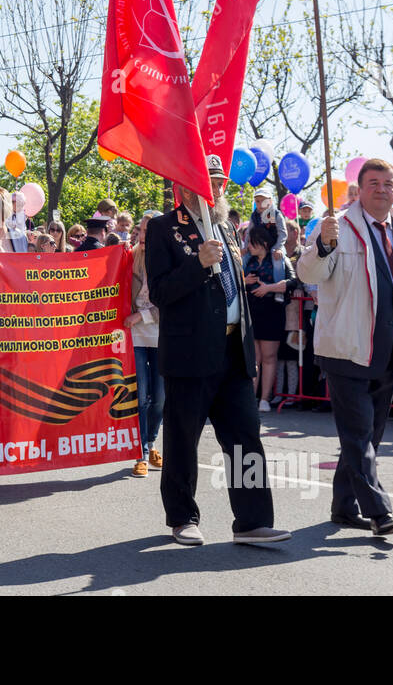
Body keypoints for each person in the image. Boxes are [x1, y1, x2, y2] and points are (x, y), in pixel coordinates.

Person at [297, 158, 393, 535]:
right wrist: (322, 245)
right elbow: (307, 274)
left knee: (369, 438)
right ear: (360, 188)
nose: (382, 189)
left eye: (388, 183)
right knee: (357, 434)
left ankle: (344, 507)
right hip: (345, 349)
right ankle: (379, 511)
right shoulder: (337, 227)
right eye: (373, 183)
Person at [144, 155, 290, 547]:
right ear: (187, 186)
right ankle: (182, 517)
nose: (215, 189)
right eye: (207, 182)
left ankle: (252, 521)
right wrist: (197, 264)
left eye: (220, 182)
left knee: (245, 438)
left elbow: (236, 291)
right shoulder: (162, 228)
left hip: (232, 351)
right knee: (182, 440)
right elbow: (159, 292)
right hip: (190, 352)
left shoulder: (227, 226)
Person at [244, 224, 297, 412]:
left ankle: (265, 398)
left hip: (272, 311)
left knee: (268, 356)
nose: (249, 245)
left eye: (253, 242)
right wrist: (245, 281)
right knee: (254, 357)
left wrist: (268, 288)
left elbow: (293, 281)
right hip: (251, 311)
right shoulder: (247, 260)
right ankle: (251, 396)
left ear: (264, 243)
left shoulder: (279, 259)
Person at [127, 211, 164, 478]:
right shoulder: (129, 258)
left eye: (148, 231)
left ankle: (151, 442)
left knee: (160, 398)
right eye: (140, 230)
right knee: (140, 396)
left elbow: (173, 302)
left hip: (163, 336)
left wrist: (143, 315)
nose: (142, 235)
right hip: (135, 338)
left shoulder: (169, 260)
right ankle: (140, 451)